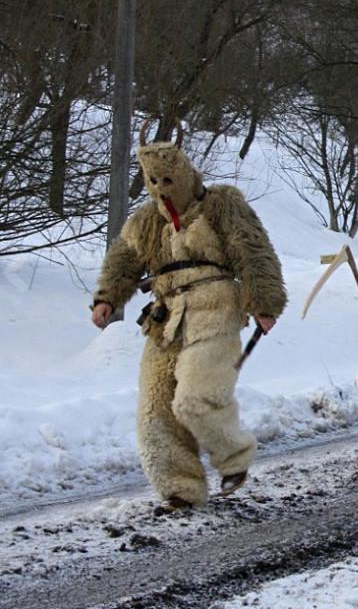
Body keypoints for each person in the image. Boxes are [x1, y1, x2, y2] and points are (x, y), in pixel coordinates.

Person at [90, 126, 287, 513]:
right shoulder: (146, 222)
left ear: (184, 174)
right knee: (155, 410)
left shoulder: (221, 205)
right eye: (153, 181)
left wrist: (263, 303)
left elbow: (253, 250)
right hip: (164, 319)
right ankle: (180, 488)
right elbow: (123, 260)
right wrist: (107, 299)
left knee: (194, 398)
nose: (162, 187)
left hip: (216, 309)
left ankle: (234, 458)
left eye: (168, 179)